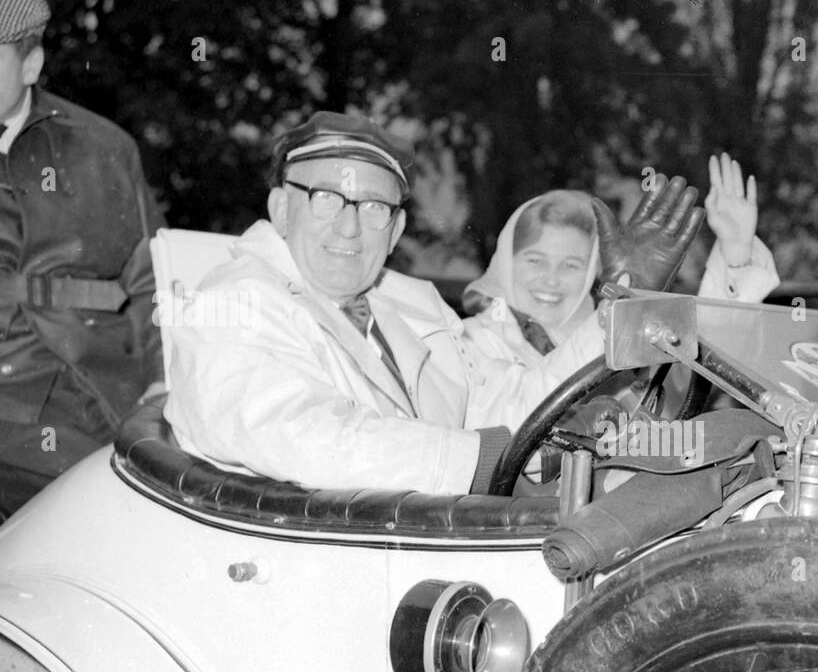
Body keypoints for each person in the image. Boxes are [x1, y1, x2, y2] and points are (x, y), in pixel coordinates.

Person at [164, 111, 703, 495]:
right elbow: (306, 434)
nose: (349, 226)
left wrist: (620, 303)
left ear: (396, 230)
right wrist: (475, 460)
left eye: (374, 206)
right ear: (282, 209)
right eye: (326, 198)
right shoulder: (232, 304)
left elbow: (511, 406)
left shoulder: (410, 309)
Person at [0, 0, 163, 518]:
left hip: (71, 399)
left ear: (30, 65)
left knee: (117, 529)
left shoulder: (101, 149)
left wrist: (163, 379)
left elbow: (153, 278)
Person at [462, 153, 778, 368]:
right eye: (535, 260)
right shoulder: (466, 343)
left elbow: (694, 369)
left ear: (590, 275)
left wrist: (736, 253)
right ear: (505, 262)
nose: (552, 279)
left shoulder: (608, 334)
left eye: (572, 265)